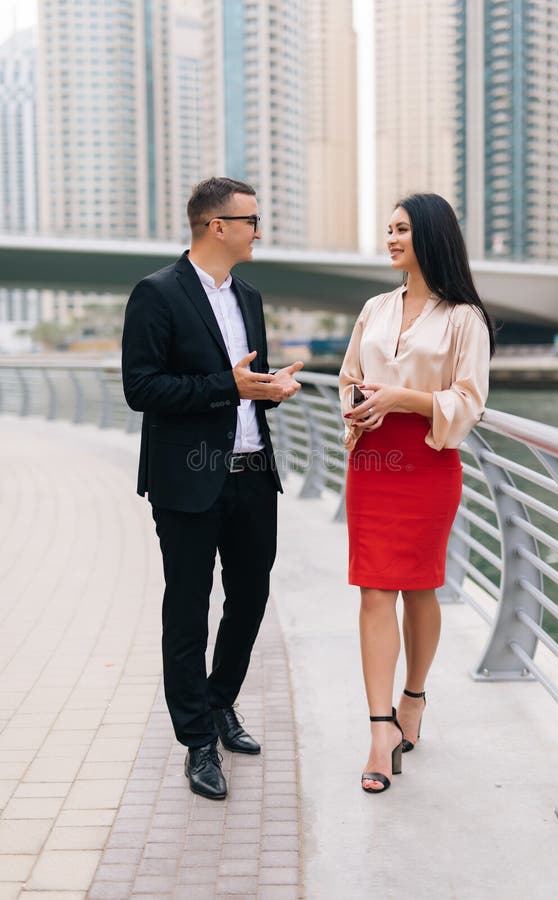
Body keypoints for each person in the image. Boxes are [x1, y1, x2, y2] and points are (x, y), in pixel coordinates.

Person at [122, 177, 302, 800]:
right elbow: (141, 389)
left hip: (252, 474)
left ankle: (221, 702)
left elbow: (244, 385)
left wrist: (269, 389)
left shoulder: (249, 297)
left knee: (250, 599)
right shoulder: (156, 294)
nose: (260, 230)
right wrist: (230, 387)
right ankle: (197, 739)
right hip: (188, 480)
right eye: (253, 219)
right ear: (216, 226)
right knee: (188, 611)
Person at [339, 192, 494, 794]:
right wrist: (359, 407)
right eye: (388, 230)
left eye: (402, 229)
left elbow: (469, 400)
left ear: (431, 236)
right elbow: (351, 378)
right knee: (374, 589)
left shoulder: (464, 319)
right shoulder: (375, 308)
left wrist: (401, 398)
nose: (391, 239)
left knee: (419, 586)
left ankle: (414, 698)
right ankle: (381, 732)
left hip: (428, 460)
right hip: (373, 460)